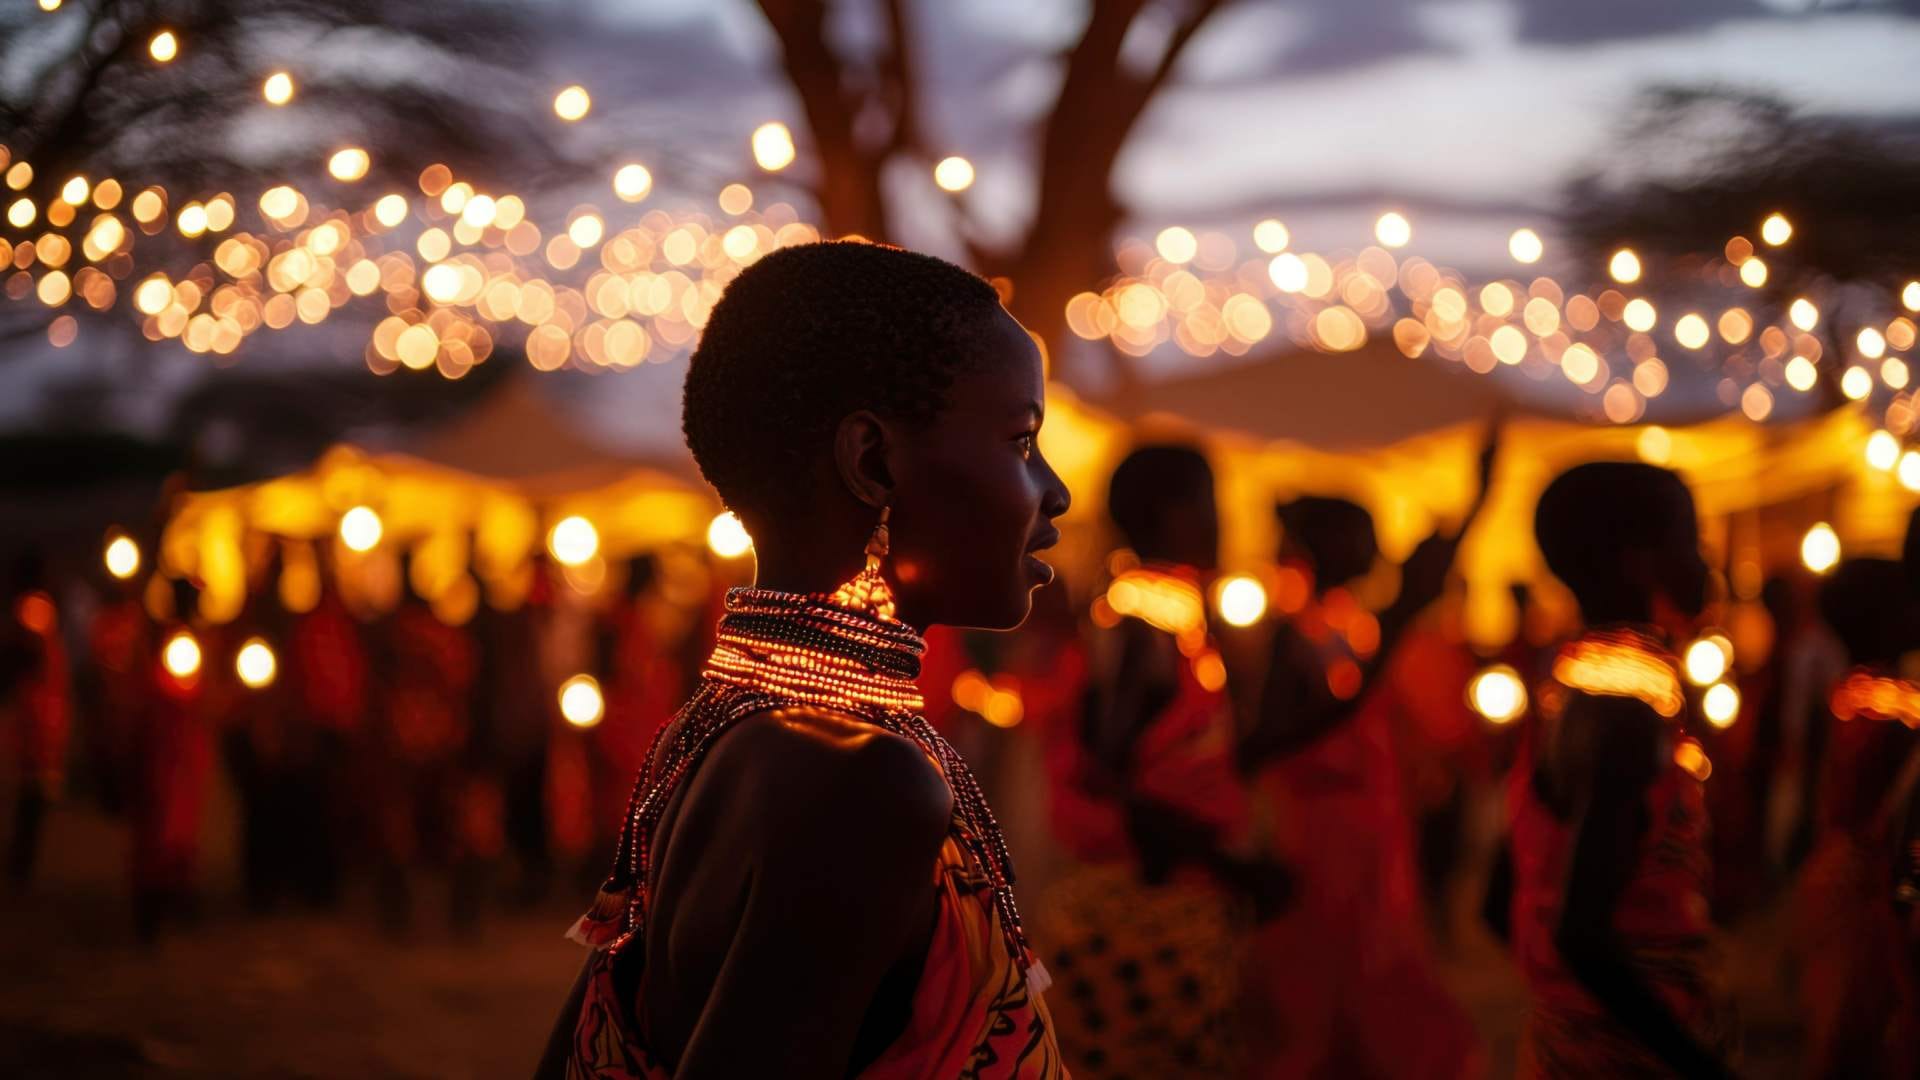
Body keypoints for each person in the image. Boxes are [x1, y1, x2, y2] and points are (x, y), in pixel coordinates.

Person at [539, 241, 1071, 1078]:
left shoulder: (727, 733)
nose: (1055, 491)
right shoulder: (861, 783)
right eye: (1021, 441)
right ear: (872, 461)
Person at [1235, 433, 1494, 1080]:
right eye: (1365, 535)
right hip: (1320, 842)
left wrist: (1477, 503)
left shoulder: (1351, 626)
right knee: (1324, 991)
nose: (1379, 550)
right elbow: (1271, 736)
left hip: (1368, 834)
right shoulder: (1293, 637)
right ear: (1327, 548)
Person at [1038, 444, 1285, 1078]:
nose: (1224, 523)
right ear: (1175, 516)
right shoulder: (1145, 613)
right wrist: (1226, 862)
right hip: (1141, 905)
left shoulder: (1170, 607)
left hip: (1165, 889)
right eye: (1212, 505)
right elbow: (1113, 771)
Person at [1504, 462, 1733, 1077]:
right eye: (1693, 541)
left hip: (1570, 1040)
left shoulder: (1565, 691)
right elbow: (1581, 934)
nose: (1710, 563)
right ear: (1640, 562)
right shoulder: (1625, 714)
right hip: (1620, 1057)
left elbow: (1501, 897)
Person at [1789, 556, 1920, 1076]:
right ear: (1886, 618)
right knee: (1866, 1027)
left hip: (1834, 872)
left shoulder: (1847, 691)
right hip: (1867, 884)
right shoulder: (1892, 705)